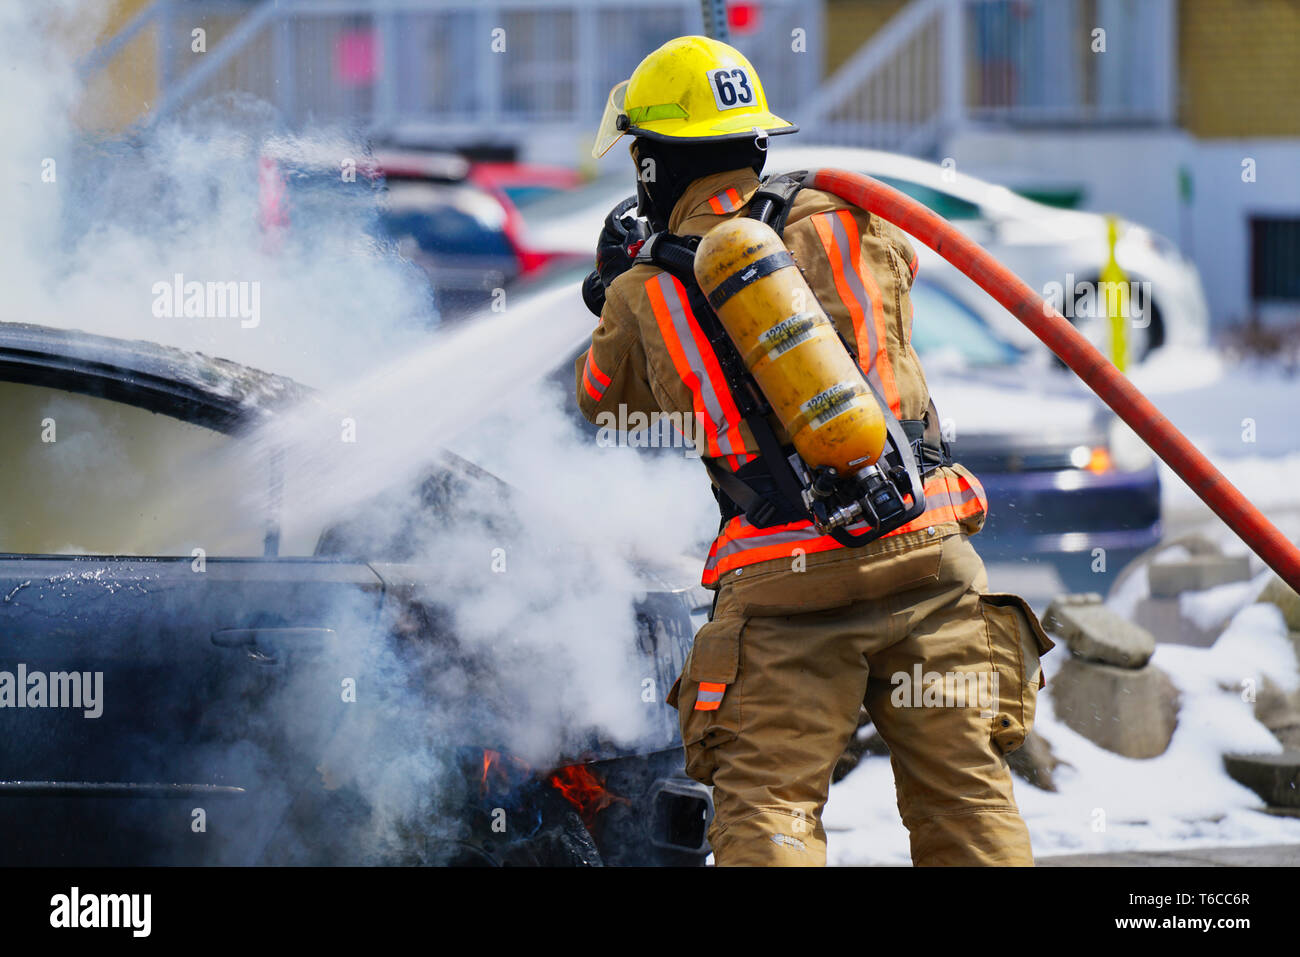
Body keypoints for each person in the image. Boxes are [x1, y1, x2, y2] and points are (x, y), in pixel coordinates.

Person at [576, 35, 1053, 867]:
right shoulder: (845, 214)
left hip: (790, 582)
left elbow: (602, 406)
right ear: (757, 142)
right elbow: (897, 280)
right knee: (965, 794)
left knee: (771, 810)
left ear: (651, 167)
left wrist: (614, 285)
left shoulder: (641, 292)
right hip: (929, 555)